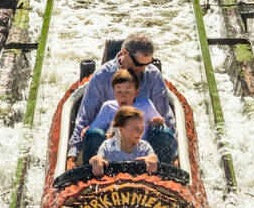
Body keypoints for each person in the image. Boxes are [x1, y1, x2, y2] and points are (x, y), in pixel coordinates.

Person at [67, 33, 177, 165]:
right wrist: (72, 155)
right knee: (92, 134)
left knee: (163, 132)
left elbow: (166, 118)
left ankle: (164, 174)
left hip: (145, 152)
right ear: (125, 53)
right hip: (110, 151)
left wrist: (176, 156)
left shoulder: (152, 77)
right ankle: (91, 174)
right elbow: (85, 118)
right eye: (138, 64)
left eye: (147, 64)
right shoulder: (102, 76)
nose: (143, 69)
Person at [77, 69, 174, 166]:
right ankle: (91, 169)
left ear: (136, 92)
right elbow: (94, 131)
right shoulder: (108, 107)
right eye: (119, 92)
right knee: (92, 133)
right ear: (114, 92)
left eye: (128, 92)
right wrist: (87, 131)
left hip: (141, 153)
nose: (123, 96)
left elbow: (163, 128)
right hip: (114, 154)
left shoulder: (146, 105)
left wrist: (158, 124)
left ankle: (164, 169)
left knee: (164, 132)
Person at [89, 105, 158, 177]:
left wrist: (152, 159)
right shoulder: (108, 146)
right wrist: (96, 160)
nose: (140, 132)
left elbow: (152, 158)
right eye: (136, 128)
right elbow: (98, 159)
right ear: (120, 129)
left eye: (142, 128)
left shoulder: (145, 147)